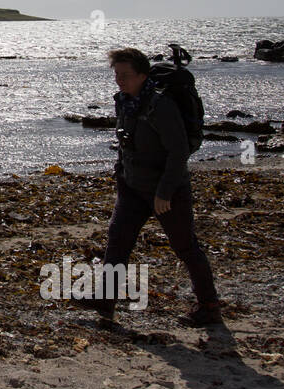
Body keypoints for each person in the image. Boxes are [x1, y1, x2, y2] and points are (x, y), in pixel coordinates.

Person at [86, 47, 221, 326]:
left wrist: (164, 192)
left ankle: (209, 306)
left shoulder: (160, 106)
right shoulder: (124, 101)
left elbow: (179, 151)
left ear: (143, 75)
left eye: (125, 75)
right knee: (118, 241)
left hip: (166, 191)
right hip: (132, 187)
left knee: (185, 247)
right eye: (116, 74)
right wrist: (120, 173)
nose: (119, 80)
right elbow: (125, 142)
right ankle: (105, 301)